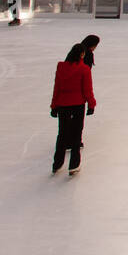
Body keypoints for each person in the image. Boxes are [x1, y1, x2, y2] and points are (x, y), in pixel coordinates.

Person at [49, 42, 96, 176]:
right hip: (77, 105)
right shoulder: (84, 69)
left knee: (62, 134)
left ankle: (57, 164)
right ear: (81, 55)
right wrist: (91, 105)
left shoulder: (61, 67)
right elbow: (87, 90)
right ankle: (74, 165)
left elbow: (56, 88)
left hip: (63, 105)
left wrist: (54, 106)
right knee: (76, 134)